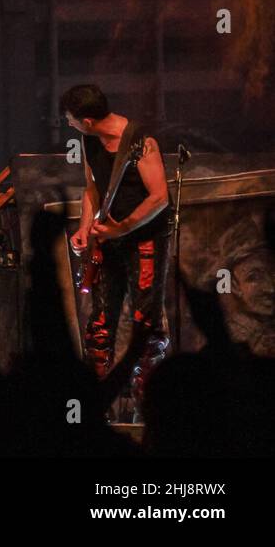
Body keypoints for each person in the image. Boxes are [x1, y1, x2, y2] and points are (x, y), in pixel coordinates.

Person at [62, 83, 170, 407]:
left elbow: (160, 197)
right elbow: (92, 188)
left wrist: (121, 228)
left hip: (144, 239)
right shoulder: (89, 140)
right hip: (108, 241)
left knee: (145, 323)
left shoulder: (140, 141)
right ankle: (97, 405)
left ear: (87, 120)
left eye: (71, 118)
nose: (68, 123)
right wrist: (84, 228)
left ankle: (149, 406)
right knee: (100, 324)